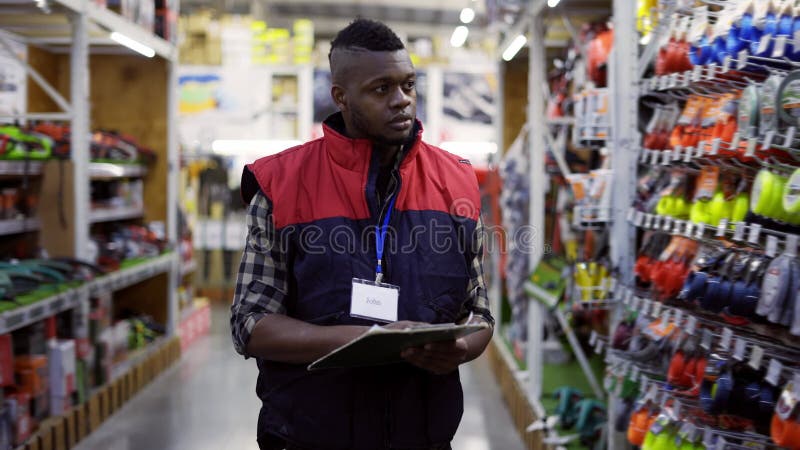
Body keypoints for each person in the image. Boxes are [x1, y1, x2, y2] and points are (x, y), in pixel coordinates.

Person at [230, 18, 494, 450]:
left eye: (409, 85)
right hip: (310, 432)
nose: (402, 101)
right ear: (341, 97)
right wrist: (363, 342)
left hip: (423, 432)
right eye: (381, 89)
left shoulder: (457, 181)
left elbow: (479, 312)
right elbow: (250, 323)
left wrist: (460, 348)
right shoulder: (280, 183)